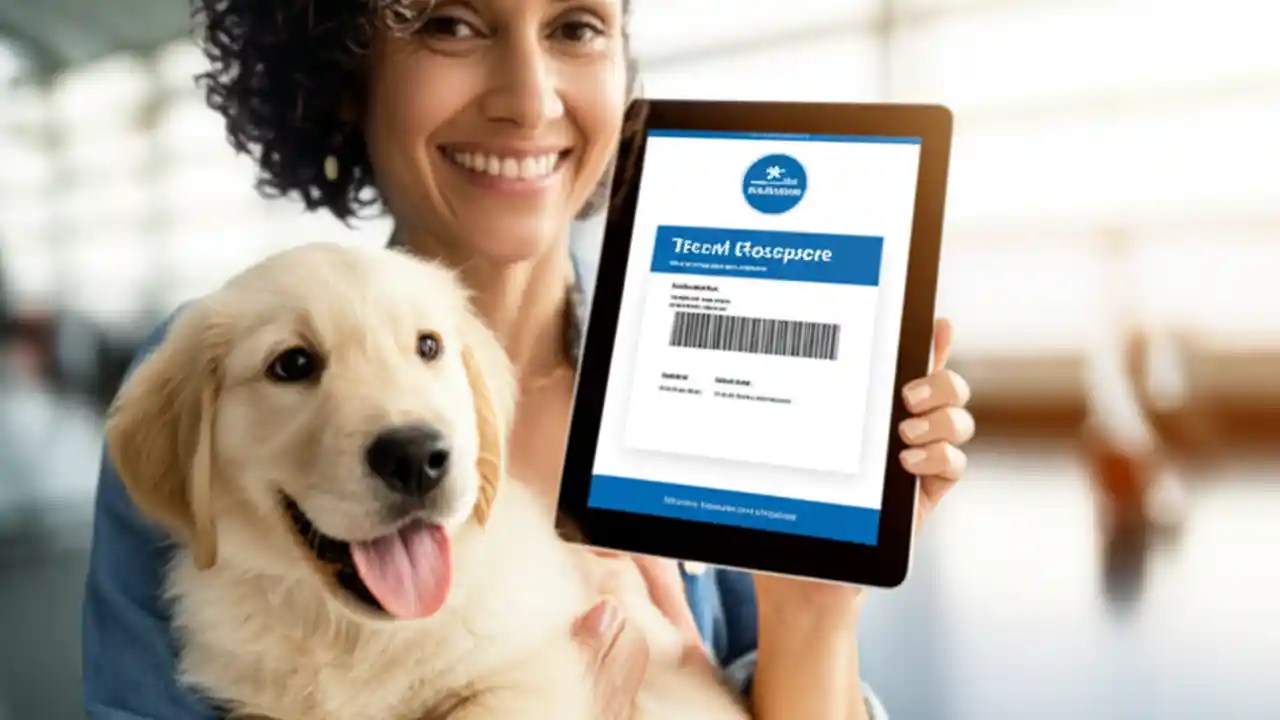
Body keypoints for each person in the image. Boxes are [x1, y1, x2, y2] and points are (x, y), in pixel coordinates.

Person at [80, 1, 976, 718]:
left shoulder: (726, 370)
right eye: (450, 23)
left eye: (577, 27)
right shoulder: (199, 377)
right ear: (347, 70)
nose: (530, 98)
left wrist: (812, 614)